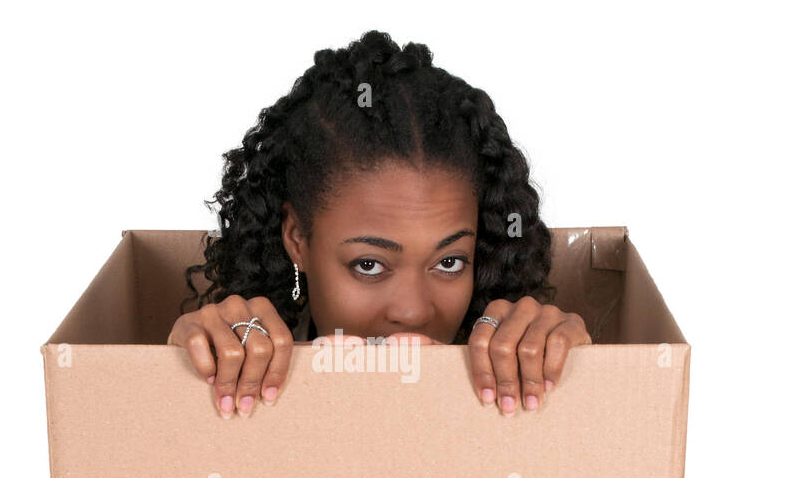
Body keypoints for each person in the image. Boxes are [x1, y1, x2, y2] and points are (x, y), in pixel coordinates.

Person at [168, 30, 591, 417]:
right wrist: (175, 371)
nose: (412, 311)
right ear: (297, 238)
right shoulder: (243, 357)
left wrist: (579, 374)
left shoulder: (510, 363)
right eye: (368, 265)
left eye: (449, 263)